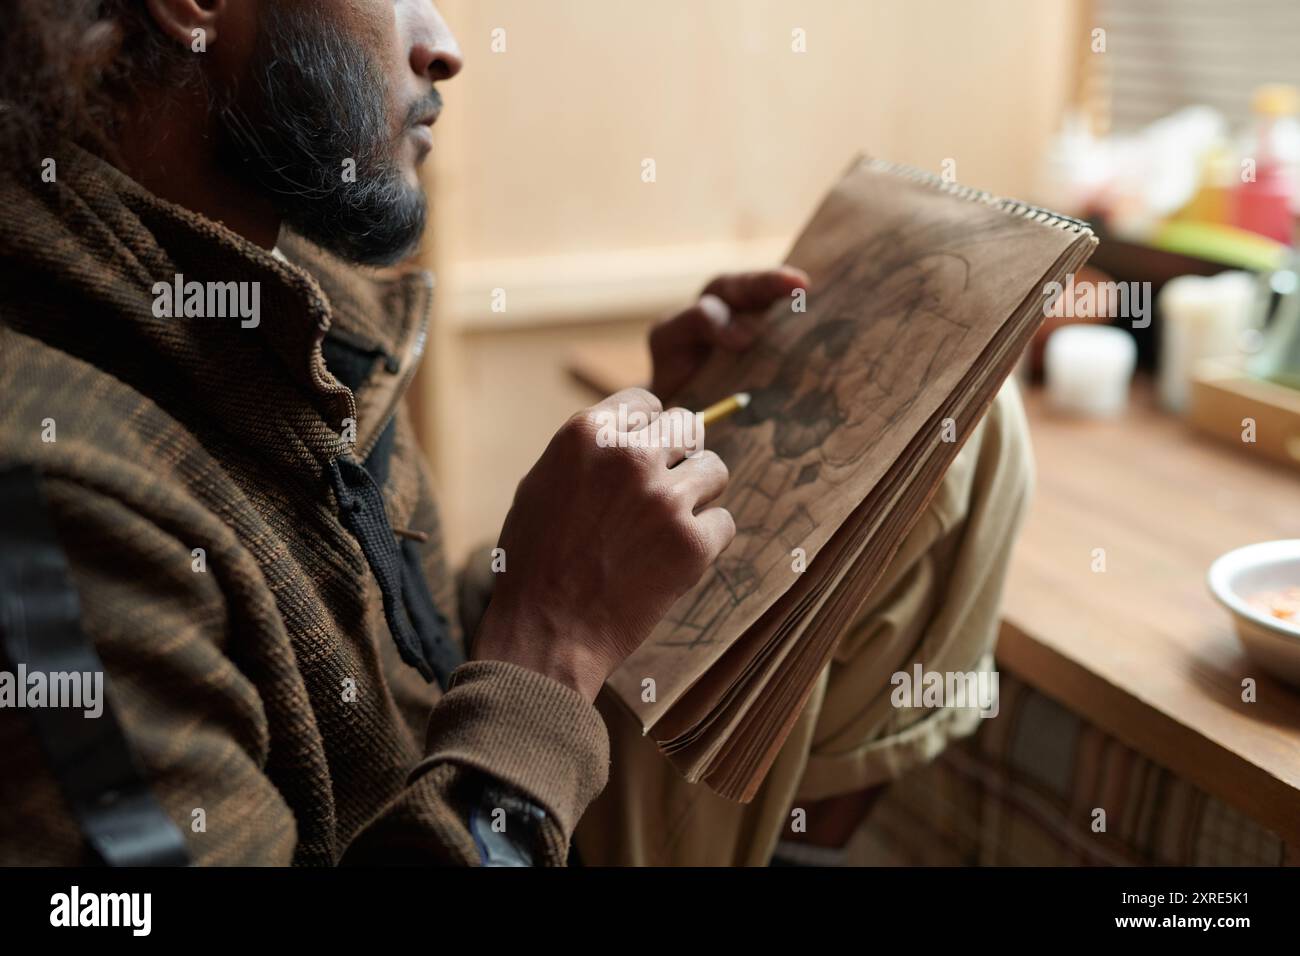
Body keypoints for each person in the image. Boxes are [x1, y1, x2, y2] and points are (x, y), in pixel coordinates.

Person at [0, 0, 1031, 866]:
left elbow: (411, 669)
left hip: (484, 794)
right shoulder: (59, 502)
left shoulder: (285, 294)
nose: (442, 42)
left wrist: (615, 506)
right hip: (489, 825)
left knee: (958, 428)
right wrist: (551, 646)